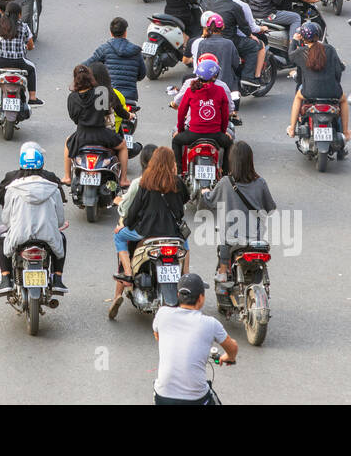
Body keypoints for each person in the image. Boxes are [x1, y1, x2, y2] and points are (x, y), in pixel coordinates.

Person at [112, 146, 191, 318]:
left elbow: (133, 212)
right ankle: (186, 275)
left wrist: (125, 225)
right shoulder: (177, 182)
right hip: (173, 234)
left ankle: (127, 273)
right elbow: (185, 200)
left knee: (119, 236)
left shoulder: (146, 181)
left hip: (146, 234)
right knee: (186, 243)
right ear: (171, 164)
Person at [0, 142, 69, 294]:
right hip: (48, 235)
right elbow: (59, 220)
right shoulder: (52, 185)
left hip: (20, 234)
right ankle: (57, 278)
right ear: (42, 164)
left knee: (2, 237)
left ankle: (5, 278)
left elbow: (6, 220)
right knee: (62, 237)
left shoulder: (13, 187)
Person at [151, 272, 238, 405]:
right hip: (196, 399)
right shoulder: (210, 323)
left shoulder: (162, 313)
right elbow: (233, 348)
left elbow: (158, 336)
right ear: (201, 298)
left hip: (163, 397)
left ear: (178, 295)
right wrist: (228, 357)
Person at [201, 141, 276, 286]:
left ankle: (223, 272)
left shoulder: (225, 182)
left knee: (224, 241)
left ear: (232, 161)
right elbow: (270, 209)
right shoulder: (260, 183)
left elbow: (209, 201)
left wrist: (205, 192)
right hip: (255, 239)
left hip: (232, 241)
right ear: (250, 160)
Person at [287, 21, 351, 140]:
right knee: (343, 100)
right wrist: (336, 85)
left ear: (302, 38)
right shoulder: (329, 49)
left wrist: (294, 40)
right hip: (332, 92)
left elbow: (290, 55)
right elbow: (338, 71)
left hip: (310, 93)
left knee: (298, 97)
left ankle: (292, 129)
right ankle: (346, 132)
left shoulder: (301, 52)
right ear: (318, 35)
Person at [64, 64, 129, 184]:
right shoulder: (102, 92)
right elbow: (105, 112)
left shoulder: (72, 97)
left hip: (82, 135)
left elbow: (74, 119)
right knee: (123, 145)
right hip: (102, 134)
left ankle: (67, 177)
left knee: (68, 142)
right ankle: (124, 179)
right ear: (90, 77)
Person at [202, 0, 266, 84]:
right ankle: (248, 78)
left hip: (209, 36)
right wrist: (251, 36)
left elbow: (200, 0)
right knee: (254, 45)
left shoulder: (209, 1)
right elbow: (244, 26)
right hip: (229, 39)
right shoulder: (235, 6)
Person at [172, 57, 232, 167]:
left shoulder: (191, 90)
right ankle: (225, 172)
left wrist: (180, 130)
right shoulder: (220, 90)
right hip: (216, 135)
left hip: (193, 135)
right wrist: (222, 132)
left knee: (176, 140)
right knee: (229, 143)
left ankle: (179, 171)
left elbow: (181, 111)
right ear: (214, 76)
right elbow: (225, 114)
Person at [87, 17, 147, 105]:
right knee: (132, 117)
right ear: (125, 32)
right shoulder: (136, 51)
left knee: (99, 115)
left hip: (108, 96)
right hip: (129, 97)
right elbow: (142, 74)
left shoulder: (104, 49)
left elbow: (88, 64)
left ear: (111, 33)